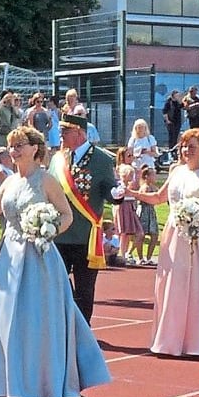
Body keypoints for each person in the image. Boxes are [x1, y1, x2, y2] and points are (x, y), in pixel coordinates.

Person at [0, 126, 111, 397]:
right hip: (10, 257)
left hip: (40, 257)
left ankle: (45, 383)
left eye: (20, 145)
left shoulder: (47, 180)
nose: (14, 151)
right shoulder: (9, 181)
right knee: (7, 318)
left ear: (35, 149)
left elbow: (66, 216)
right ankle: (13, 384)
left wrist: (48, 230)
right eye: (11, 146)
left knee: (38, 320)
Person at [127, 128, 199, 356]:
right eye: (184, 146)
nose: (186, 150)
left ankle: (198, 340)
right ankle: (171, 338)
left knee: (198, 286)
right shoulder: (175, 172)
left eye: (192, 146)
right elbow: (158, 198)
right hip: (175, 236)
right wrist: (132, 193)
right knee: (173, 286)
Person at [48, 113, 124, 324]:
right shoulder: (58, 159)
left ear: (79, 133)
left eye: (65, 131)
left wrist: (116, 195)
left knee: (84, 287)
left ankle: (82, 328)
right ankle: (63, 323)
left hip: (85, 235)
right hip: (59, 232)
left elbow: (108, 187)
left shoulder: (101, 159)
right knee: (56, 283)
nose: (60, 135)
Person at [137, 165, 160, 265]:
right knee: (141, 235)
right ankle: (141, 257)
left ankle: (149, 257)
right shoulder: (145, 188)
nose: (155, 177)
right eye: (153, 175)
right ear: (147, 176)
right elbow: (145, 199)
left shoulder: (153, 187)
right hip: (144, 212)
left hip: (151, 212)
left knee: (154, 235)